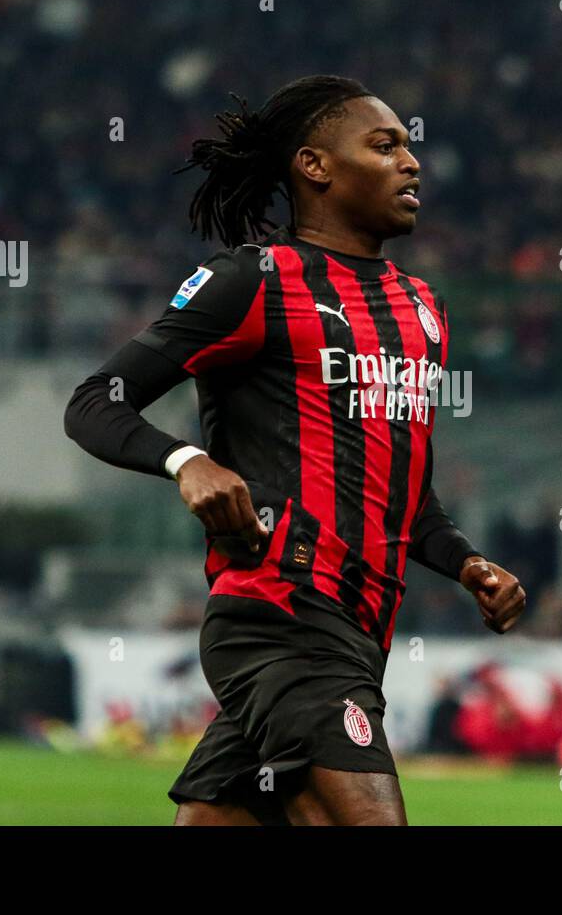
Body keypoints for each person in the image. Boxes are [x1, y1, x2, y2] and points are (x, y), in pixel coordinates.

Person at [65, 75, 526, 825]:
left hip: (358, 634)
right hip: (280, 618)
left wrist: (466, 562)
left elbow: (403, 489)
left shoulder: (423, 309)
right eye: (384, 146)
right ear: (315, 166)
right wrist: (189, 462)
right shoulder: (250, 283)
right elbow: (94, 402)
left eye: (410, 147)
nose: (411, 163)